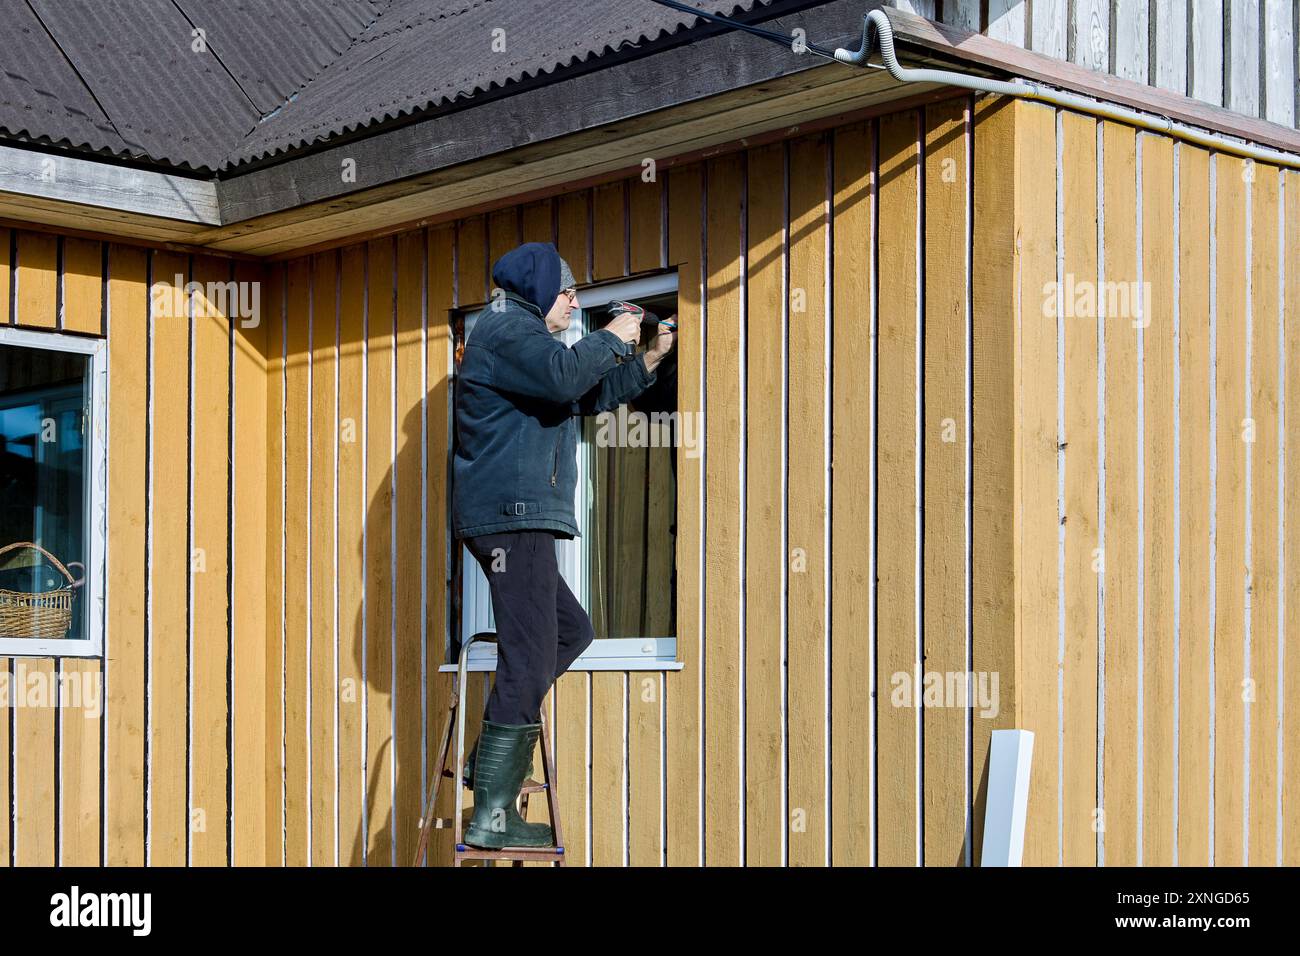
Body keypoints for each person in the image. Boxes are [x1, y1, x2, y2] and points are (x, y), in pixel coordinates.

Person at [451, 240, 676, 849]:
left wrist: (648, 358)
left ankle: (486, 765)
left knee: (569, 632)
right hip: (512, 516)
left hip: (517, 516)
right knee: (528, 654)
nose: (576, 302)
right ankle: (493, 813)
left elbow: (580, 394)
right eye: (569, 292)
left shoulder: (525, 341)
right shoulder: (505, 329)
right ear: (540, 289)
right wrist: (612, 335)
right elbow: (565, 376)